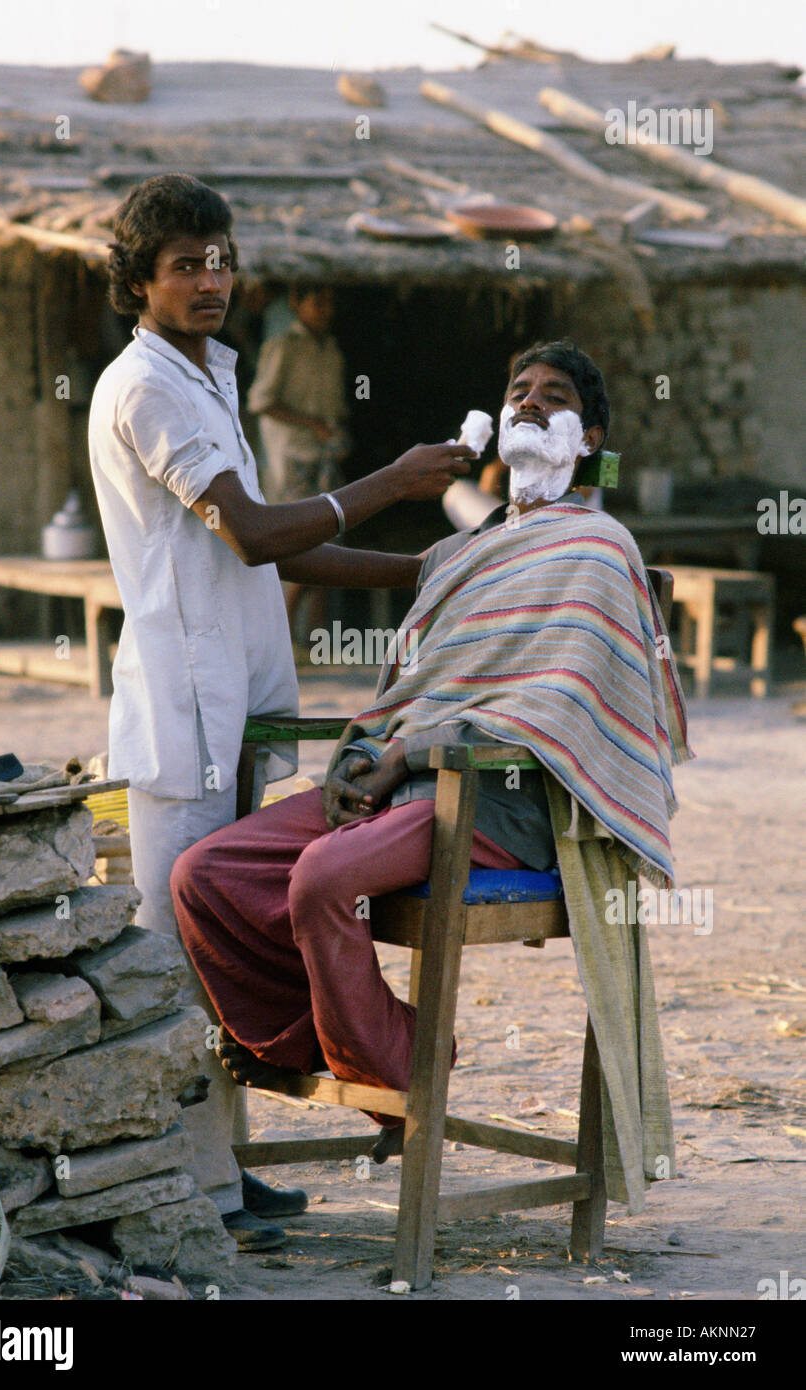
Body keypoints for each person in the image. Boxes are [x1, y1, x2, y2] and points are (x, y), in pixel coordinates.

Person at [170, 340, 692, 1158]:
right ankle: (354, 1049)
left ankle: (404, 1085)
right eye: (518, 388)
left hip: (498, 797)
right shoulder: (464, 552)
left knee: (320, 881)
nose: (528, 400)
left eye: (554, 396)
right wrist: (359, 759)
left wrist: (411, 756)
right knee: (205, 876)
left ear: (589, 438)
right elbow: (409, 678)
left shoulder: (599, 550)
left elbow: (554, 709)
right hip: (400, 779)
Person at [87, 174, 475, 1251]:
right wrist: (390, 481)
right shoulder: (144, 388)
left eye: (221, 258)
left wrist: (422, 571)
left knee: (216, 949)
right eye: (185, 264)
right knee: (176, 961)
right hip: (181, 717)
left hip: (244, 704)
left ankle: (219, 1180)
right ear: (139, 280)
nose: (211, 279)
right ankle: (183, 1193)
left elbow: (283, 545)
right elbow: (255, 535)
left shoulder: (209, 370)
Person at [247, 282, 349, 639]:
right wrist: (313, 424)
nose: (325, 309)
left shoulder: (330, 349)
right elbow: (261, 401)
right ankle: (283, 638)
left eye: (328, 302)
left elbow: (336, 407)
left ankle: (313, 640)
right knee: (298, 548)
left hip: (324, 459)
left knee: (327, 545)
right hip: (291, 459)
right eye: (317, 300)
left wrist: (334, 431)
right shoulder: (283, 346)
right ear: (296, 303)